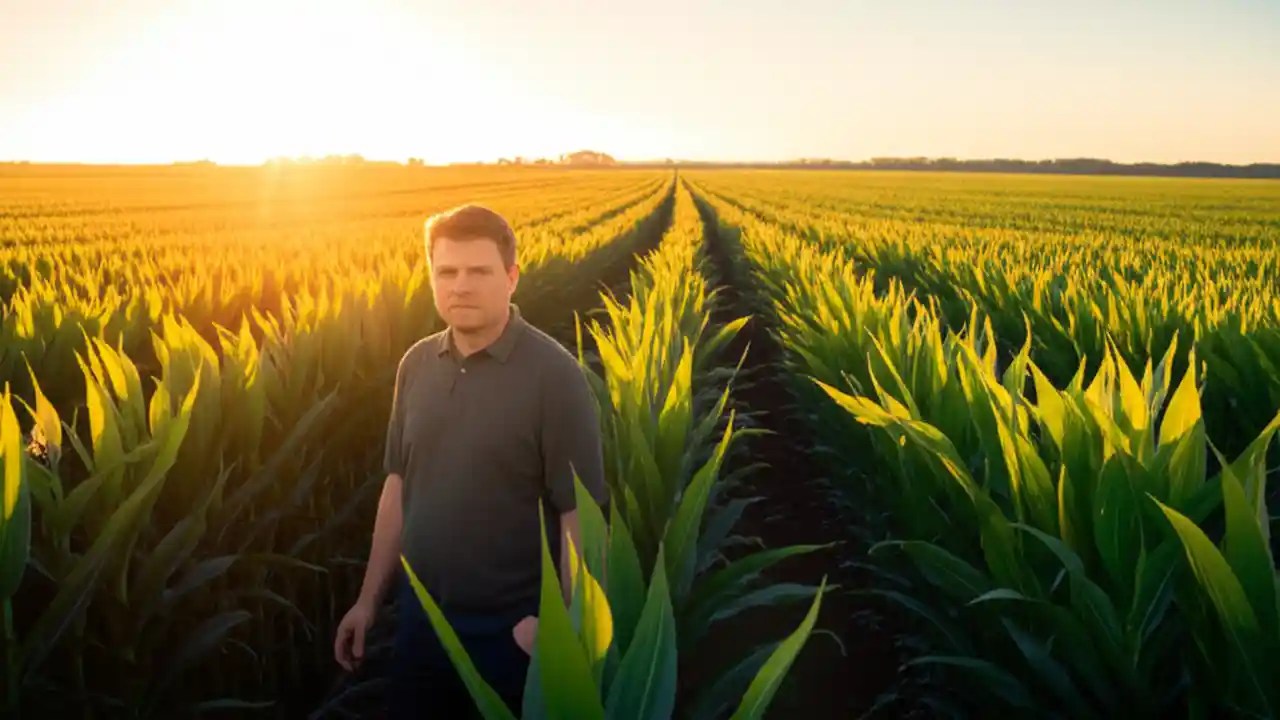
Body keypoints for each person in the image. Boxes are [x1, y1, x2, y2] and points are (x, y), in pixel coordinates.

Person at [332, 204, 609, 718]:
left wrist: (566, 632)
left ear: (511, 278)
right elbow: (398, 485)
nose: (461, 285)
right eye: (447, 272)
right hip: (420, 624)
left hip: (511, 634)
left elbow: (580, 514)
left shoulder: (555, 377)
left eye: (479, 271)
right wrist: (369, 601)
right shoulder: (415, 366)